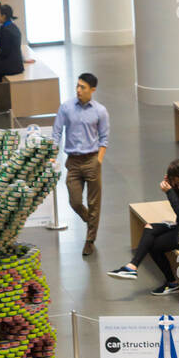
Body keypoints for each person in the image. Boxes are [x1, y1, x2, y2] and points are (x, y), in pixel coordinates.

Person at [109, 161, 179, 296]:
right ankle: (132, 266)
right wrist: (175, 189)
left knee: (154, 246)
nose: (173, 182)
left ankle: (171, 283)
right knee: (150, 228)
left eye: (174, 179)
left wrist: (170, 192)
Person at [52, 74, 110, 258]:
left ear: (92, 90)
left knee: (94, 202)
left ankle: (89, 240)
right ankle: (90, 221)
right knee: (75, 201)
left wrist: (99, 160)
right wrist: (53, 155)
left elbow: (104, 138)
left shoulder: (100, 111)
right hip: (74, 162)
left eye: (83, 87)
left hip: (92, 160)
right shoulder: (66, 108)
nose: (78, 90)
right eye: (77, 86)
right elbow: (57, 132)